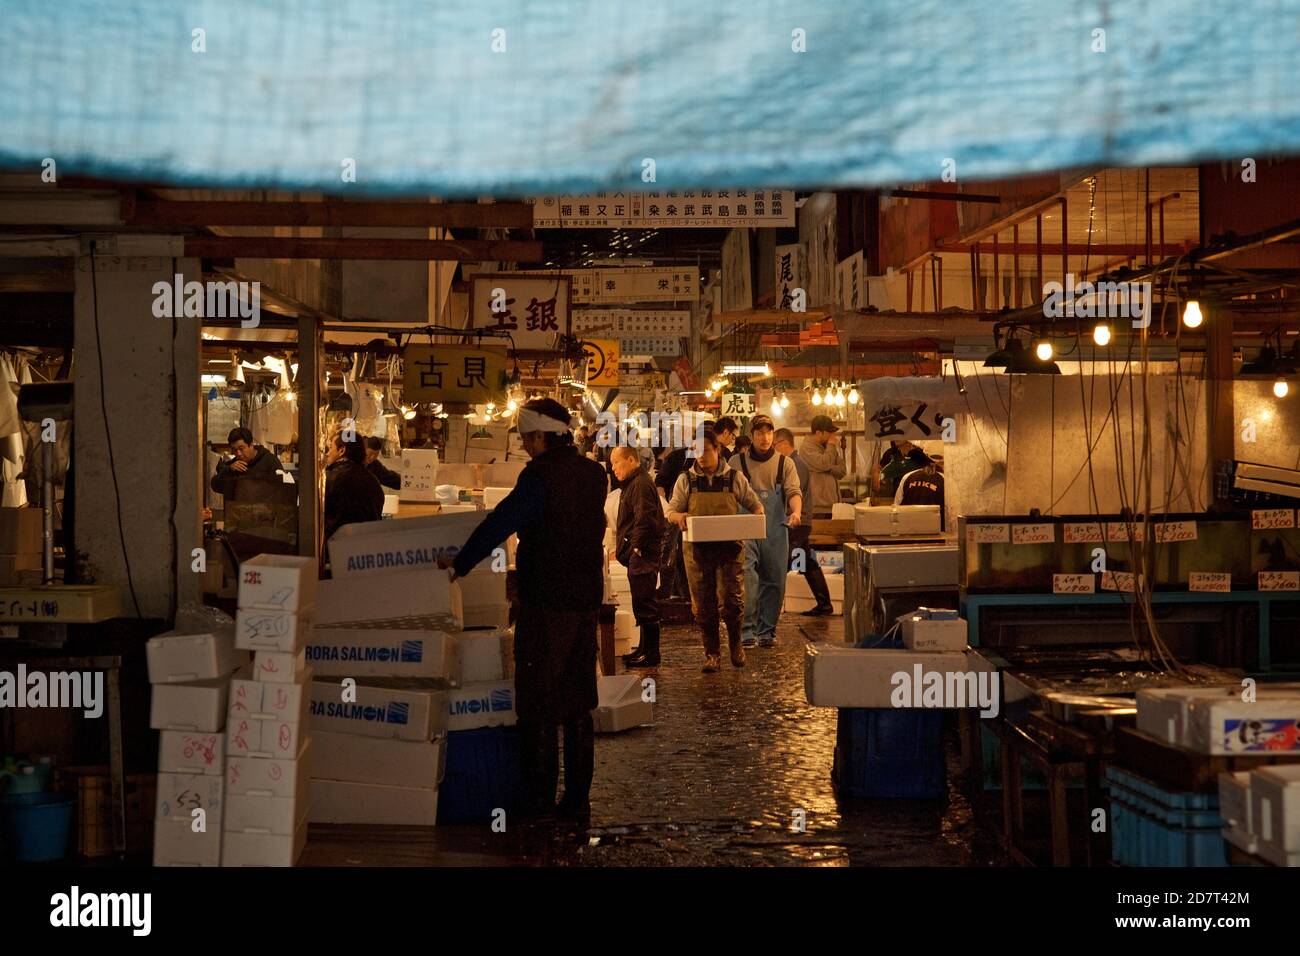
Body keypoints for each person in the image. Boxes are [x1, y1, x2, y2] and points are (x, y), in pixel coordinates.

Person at [446, 398, 607, 823]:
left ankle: (537, 805)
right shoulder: (594, 475)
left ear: (538, 436)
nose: (524, 446)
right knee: (577, 706)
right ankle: (576, 803)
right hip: (584, 603)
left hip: (545, 605)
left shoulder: (538, 476)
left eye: (524, 438)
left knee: (537, 706)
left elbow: (502, 522)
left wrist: (459, 564)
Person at [665, 427, 763, 672]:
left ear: (717, 450)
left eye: (705, 451)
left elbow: (755, 505)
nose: (700, 456)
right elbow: (670, 511)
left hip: (730, 550)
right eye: (695, 451)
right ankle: (712, 654)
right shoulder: (686, 480)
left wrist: (756, 518)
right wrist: (679, 516)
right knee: (703, 604)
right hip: (696, 553)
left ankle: (736, 645)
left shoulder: (734, 478)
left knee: (732, 600)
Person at [733, 415, 801, 647]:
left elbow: (793, 492)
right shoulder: (735, 463)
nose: (765, 437)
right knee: (747, 578)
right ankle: (747, 631)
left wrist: (796, 512)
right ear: (751, 435)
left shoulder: (786, 463)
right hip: (744, 529)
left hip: (775, 531)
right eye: (760, 432)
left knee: (775, 581)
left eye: (769, 432)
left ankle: (767, 631)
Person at [610, 446, 665, 667]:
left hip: (643, 553)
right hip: (638, 553)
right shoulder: (634, 483)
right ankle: (643, 649)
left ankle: (652, 654)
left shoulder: (640, 484)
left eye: (616, 462)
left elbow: (645, 517)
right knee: (640, 601)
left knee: (645, 602)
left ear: (631, 460)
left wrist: (635, 547)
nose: (613, 468)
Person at [774, 427, 834, 616]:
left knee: (786, 560)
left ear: (783, 444)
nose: (773, 450)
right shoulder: (792, 462)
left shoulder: (794, 464)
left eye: (774, 445)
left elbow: (792, 493)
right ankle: (825, 604)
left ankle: (769, 604)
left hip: (797, 522)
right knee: (807, 562)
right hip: (798, 521)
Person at [324, 429, 384, 541]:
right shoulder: (374, 481)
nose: (327, 453)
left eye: (331, 448)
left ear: (341, 450)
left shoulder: (330, 478)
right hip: (368, 547)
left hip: (338, 547)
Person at [210, 427, 283, 497]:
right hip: (237, 507)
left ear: (251, 445)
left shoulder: (270, 461)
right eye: (234, 450)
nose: (238, 453)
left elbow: (282, 488)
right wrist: (228, 469)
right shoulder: (234, 464)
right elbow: (215, 485)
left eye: (241, 448)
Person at [800, 415, 846, 517]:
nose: (832, 435)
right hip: (817, 507)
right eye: (829, 432)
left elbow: (842, 470)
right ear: (818, 433)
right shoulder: (807, 448)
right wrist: (831, 447)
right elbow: (824, 464)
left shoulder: (829, 448)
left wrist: (828, 468)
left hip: (834, 505)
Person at [894, 455, 945, 527]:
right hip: (934, 531)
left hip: (908, 530)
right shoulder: (944, 480)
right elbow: (950, 512)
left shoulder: (908, 477)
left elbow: (896, 507)